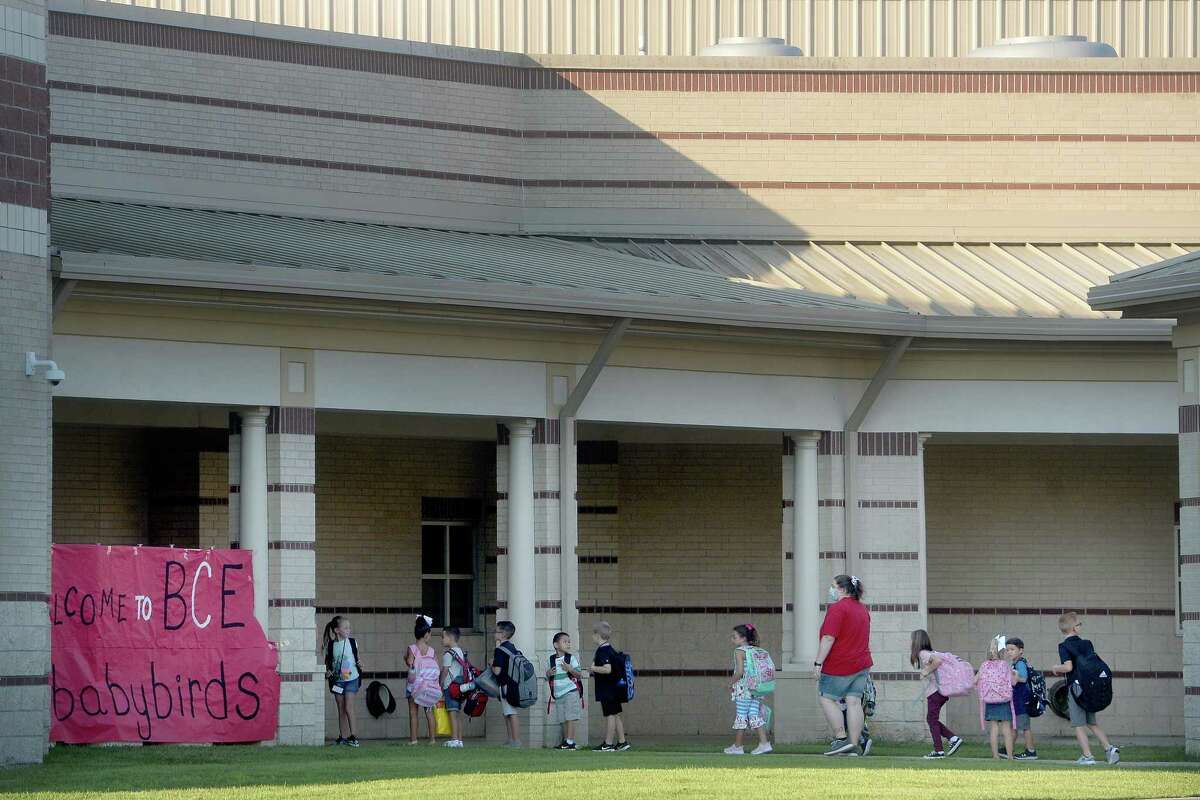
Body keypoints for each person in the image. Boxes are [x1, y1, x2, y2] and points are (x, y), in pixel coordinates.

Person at [1049, 612, 1120, 766]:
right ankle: (1109, 748)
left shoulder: (1063, 646)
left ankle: (1087, 756)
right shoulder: (1087, 643)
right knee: (1091, 723)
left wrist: (1056, 668)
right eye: (1079, 624)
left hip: (1076, 690)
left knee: (1078, 724)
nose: (1081, 626)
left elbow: (1068, 667)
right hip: (1090, 688)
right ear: (1074, 628)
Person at [814, 574, 872, 756]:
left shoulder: (838, 609)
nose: (831, 590)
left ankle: (840, 738)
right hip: (862, 663)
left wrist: (818, 663)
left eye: (833, 586)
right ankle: (853, 743)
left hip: (839, 664)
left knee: (827, 698)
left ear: (842, 589)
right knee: (853, 702)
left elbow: (829, 637)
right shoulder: (862, 609)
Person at [911, 628, 962, 759]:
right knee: (932, 719)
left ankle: (940, 749)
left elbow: (937, 662)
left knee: (932, 720)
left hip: (936, 692)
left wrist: (926, 671)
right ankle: (951, 739)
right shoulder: (929, 652)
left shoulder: (923, 653)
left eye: (912, 640)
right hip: (941, 691)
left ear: (916, 641)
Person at [724, 623, 772, 756]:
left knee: (741, 716)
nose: (732, 639)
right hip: (756, 688)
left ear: (743, 638)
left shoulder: (739, 651)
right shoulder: (757, 650)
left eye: (734, 637)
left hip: (743, 688)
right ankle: (764, 743)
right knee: (753, 714)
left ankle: (738, 746)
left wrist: (730, 683)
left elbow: (739, 671)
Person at [586, 621, 630, 752]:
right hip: (615, 688)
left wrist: (593, 668)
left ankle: (608, 743)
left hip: (608, 689)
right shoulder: (611, 649)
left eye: (593, 634)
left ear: (597, 635)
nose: (592, 637)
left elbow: (607, 669)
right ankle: (622, 742)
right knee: (615, 715)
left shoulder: (603, 651)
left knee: (610, 715)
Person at [322, 615, 362, 747]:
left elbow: (356, 658)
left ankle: (354, 736)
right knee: (341, 709)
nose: (348, 630)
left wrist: (360, 664)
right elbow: (328, 662)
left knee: (348, 707)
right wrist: (328, 672)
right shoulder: (331, 645)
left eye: (349, 628)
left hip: (351, 679)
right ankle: (343, 737)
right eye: (345, 628)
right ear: (336, 630)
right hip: (338, 681)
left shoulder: (352, 642)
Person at [976, 634, 1016, 761]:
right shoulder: (1005, 665)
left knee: (994, 728)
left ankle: (995, 756)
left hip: (990, 699)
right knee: (1006, 728)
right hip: (1004, 699)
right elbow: (1013, 682)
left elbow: (974, 680)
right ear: (1002, 652)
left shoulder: (984, 665)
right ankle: (1010, 756)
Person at [405, 614, 440, 745]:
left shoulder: (412, 648)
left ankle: (414, 740)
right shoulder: (431, 650)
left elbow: (410, 663)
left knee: (413, 712)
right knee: (429, 712)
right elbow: (436, 665)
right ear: (426, 634)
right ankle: (432, 739)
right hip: (429, 686)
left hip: (414, 685)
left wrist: (407, 658)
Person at [546, 631, 583, 750]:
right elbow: (547, 675)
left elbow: (579, 674)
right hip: (558, 694)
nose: (568, 644)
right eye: (565, 641)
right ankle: (566, 741)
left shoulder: (571, 658)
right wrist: (548, 673)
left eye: (569, 642)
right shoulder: (551, 659)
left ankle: (570, 742)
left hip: (571, 691)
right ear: (556, 645)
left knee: (570, 717)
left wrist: (569, 669)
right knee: (562, 719)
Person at [1006, 637, 1038, 761]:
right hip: (1017, 700)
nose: (1009, 652)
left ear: (1021, 650)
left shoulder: (1020, 663)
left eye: (1012, 649)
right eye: (1008, 650)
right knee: (1015, 726)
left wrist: (1012, 675)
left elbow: (1023, 679)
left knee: (1025, 727)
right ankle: (1009, 748)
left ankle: (1031, 751)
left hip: (1022, 700)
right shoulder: (1015, 663)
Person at [492, 620, 522, 748]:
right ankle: (510, 739)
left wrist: (491, 664)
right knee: (507, 712)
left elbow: (497, 671)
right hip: (513, 684)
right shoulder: (512, 648)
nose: (494, 633)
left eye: (496, 631)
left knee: (510, 712)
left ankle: (515, 741)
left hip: (505, 685)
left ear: (503, 634)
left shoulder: (500, 650)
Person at [439, 625, 467, 748]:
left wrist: (440, 684)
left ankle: (454, 739)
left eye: (443, 636)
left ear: (450, 637)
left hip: (450, 686)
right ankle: (459, 740)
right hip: (459, 686)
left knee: (451, 712)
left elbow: (445, 670)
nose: (442, 639)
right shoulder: (460, 651)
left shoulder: (448, 654)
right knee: (457, 713)